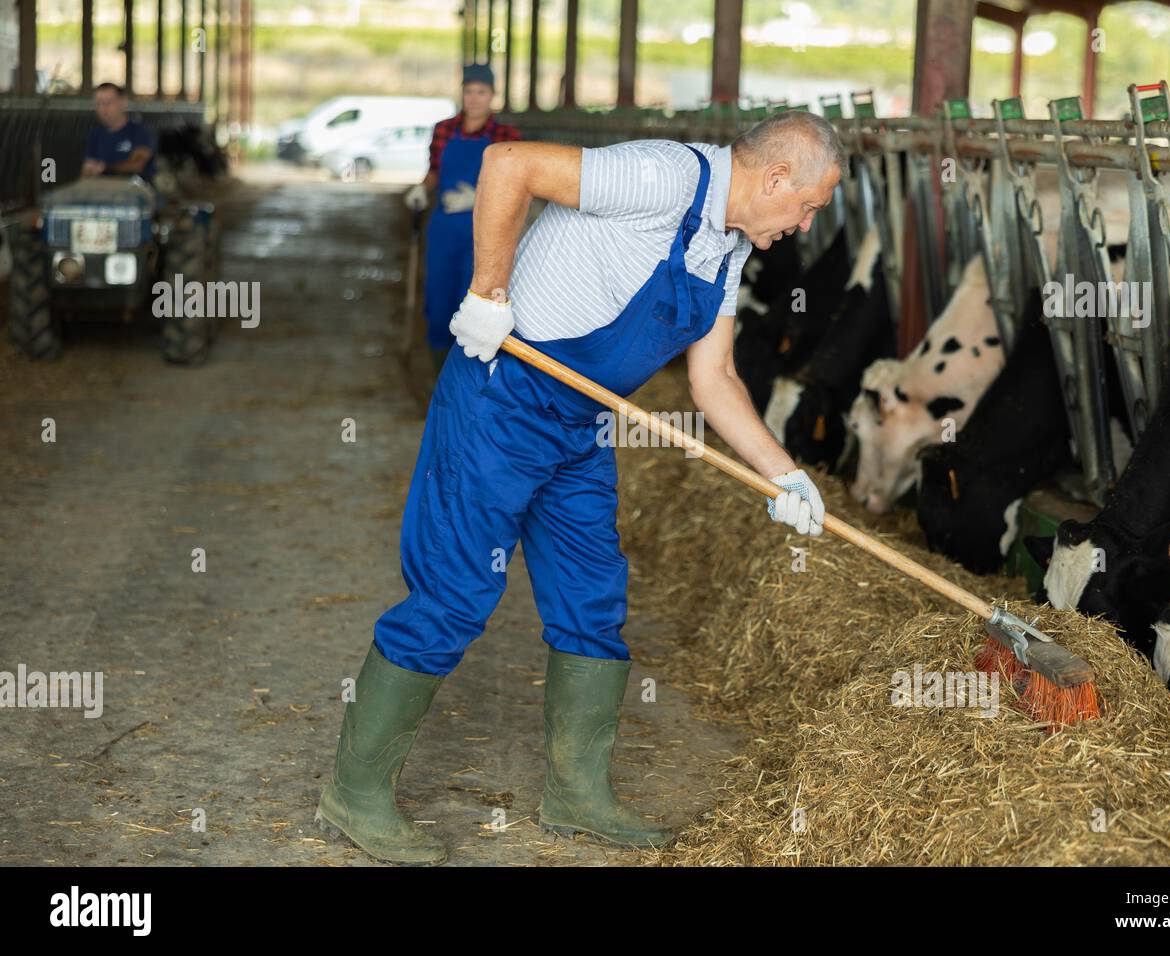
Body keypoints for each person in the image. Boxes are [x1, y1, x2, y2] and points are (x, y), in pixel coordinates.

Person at [319, 110, 843, 865]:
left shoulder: (726, 247)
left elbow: (714, 377)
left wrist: (783, 473)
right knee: (456, 592)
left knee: (593, 599)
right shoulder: (664, 176)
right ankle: (356, 790)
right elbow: (508, 166)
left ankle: (577, 794)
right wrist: (489, 296)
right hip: (502, 396)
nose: (803, 223)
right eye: (808, 206)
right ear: (776, 177)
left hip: (580, 423)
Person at [404, 63, 521, 383]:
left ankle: (467, 382)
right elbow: (434, 172)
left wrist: (479, 198)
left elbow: (517, 186)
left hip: (485, 234)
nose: (474, 98)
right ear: (462, 93)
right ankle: (437, 379)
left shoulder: (506, 137)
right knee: (439, 300)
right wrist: (421, 189)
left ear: (492, 96)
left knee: (473, 303)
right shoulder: (443, 130)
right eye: (469, 91)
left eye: (481, 92)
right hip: (444, 230)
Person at [82, 82, 156, 183]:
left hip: (135, 189)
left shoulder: (141, 131)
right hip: (102, 190)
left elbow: (137, 165)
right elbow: (87, 168)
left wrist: (104, 169)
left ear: (123, 102)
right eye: (99, 103)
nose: (103, 108)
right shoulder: (96, 134)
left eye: (109, 102)